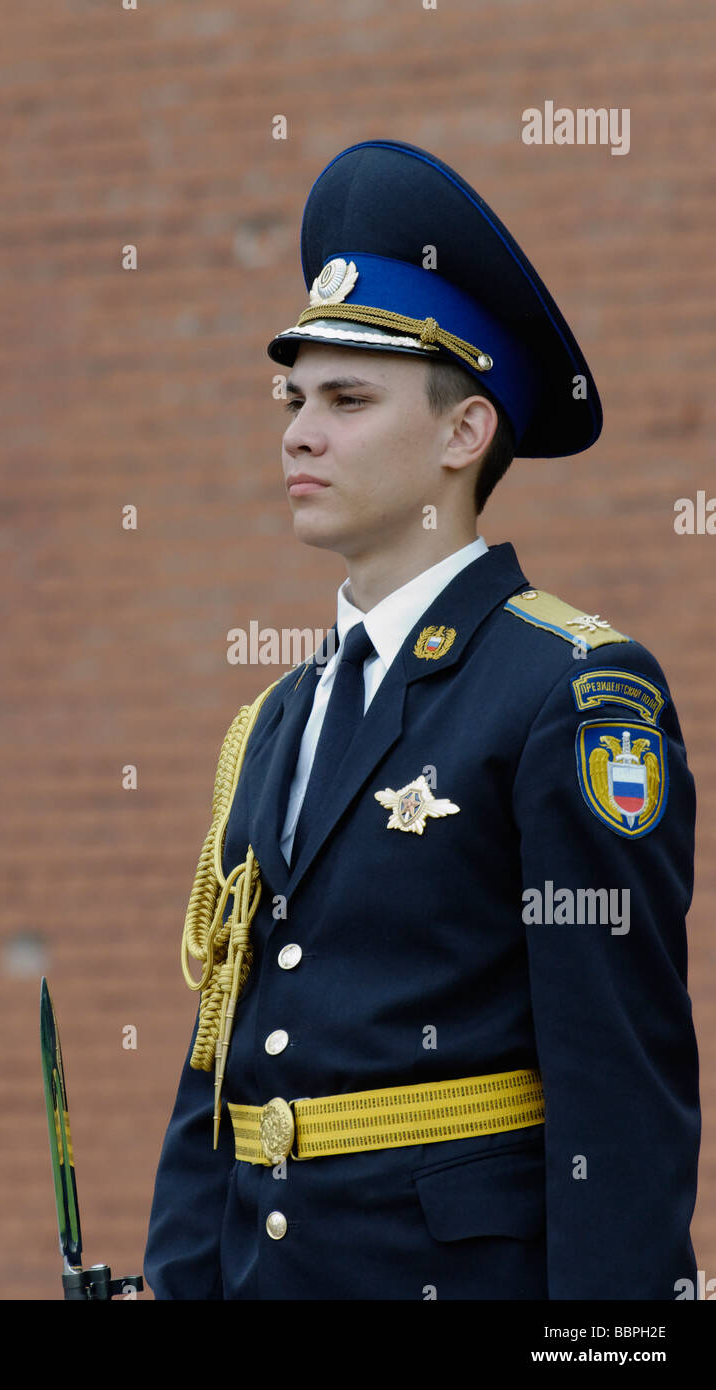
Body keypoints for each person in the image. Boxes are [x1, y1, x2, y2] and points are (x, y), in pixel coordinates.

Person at [143, 139, 700, 1300]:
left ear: (465, 433)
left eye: (348, 398)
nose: (299, 430)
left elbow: (618, 1092)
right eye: (295, 396)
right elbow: (223, 1087)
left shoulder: (572, 693)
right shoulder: (272, 726)